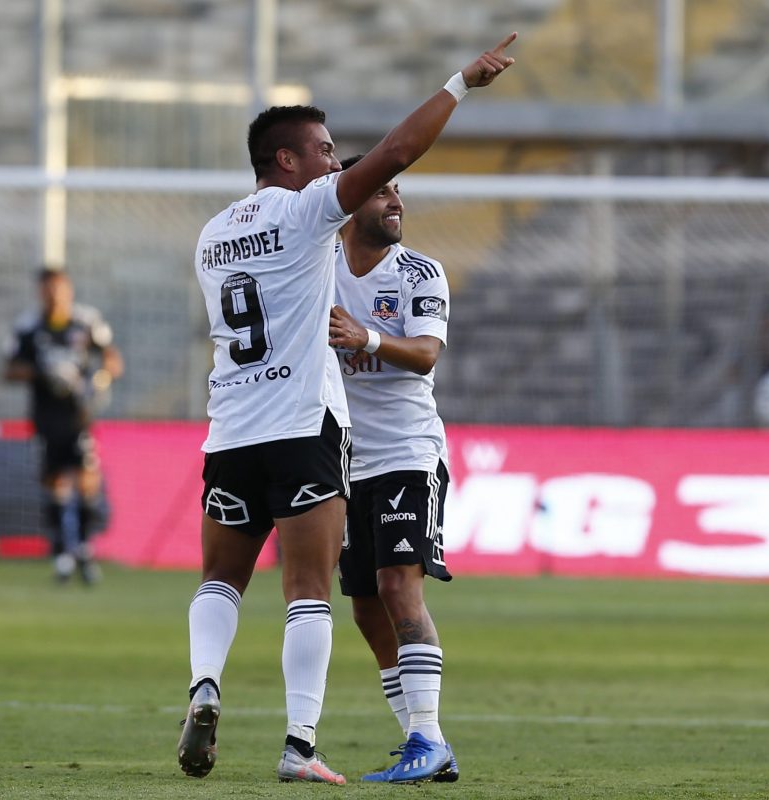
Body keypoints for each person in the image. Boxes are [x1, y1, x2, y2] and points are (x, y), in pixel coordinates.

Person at [177, 33, 517, 784]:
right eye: (325, 152)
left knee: (221, 579)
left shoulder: (212, 235)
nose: (337, 166)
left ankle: (205, 684)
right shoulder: (308, 222)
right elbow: (396, 151)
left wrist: (366, 335)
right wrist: (460, 83)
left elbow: (419, 349)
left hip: (233, 427)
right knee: (316, 592)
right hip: (305, 428)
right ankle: (300, 745)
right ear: (287, 161)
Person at [326, 155, 456, 784]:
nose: (395, 201)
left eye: (397, 190)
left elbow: (427, 354)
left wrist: (367, 338)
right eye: (381, 192)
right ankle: (423, 742)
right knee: (365, 606)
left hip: (407, 452)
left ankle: (427, 737)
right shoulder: (316, 267)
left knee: (399, 587)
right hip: (343, 460)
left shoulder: (418, 272)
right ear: (350, 203)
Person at [4, 267, 123, 585]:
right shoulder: (28, 326)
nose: (55, 295)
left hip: (79, 415)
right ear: (40, 292)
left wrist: (100, 379)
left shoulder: (87, 322)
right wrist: (43, 373)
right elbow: (9, 369)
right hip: (46, 416)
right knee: (54, 480)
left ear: (69, 290)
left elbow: (112, 359)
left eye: (59, 288)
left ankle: (83, 548)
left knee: (86, 479)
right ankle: (62, 553)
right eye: (48, 289)